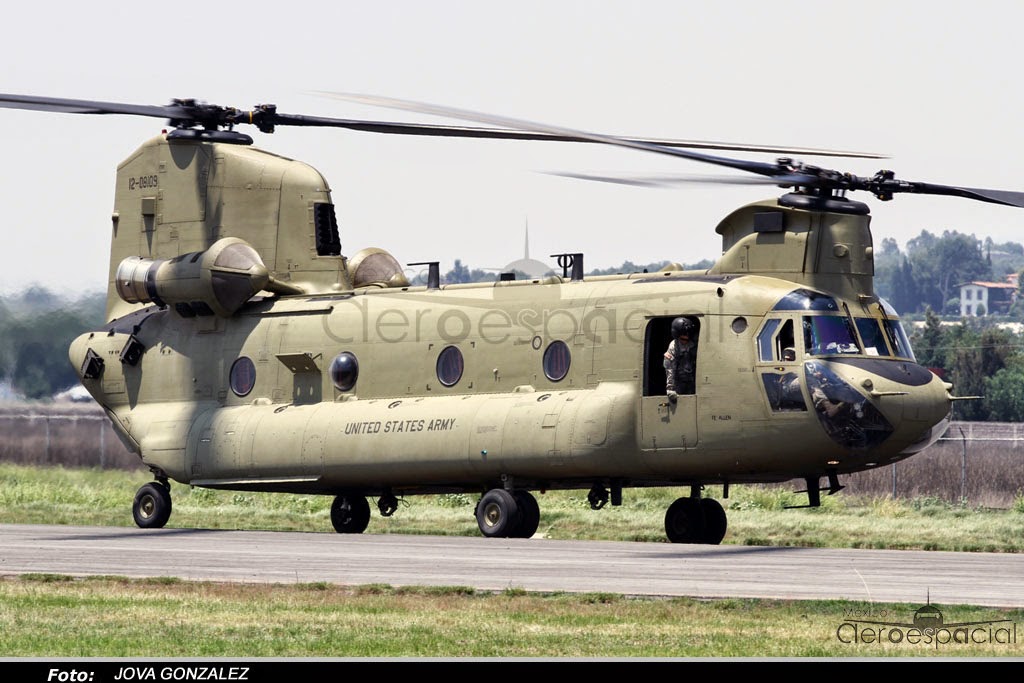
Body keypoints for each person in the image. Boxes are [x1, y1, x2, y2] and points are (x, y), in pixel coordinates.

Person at [664, 316, 697, 403]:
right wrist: (670, 388)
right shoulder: (673, 347)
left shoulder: (694, 343)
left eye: (688, 338)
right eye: (683, 339)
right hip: (680, 380)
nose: (686, 341)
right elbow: (670, 368)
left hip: (694, 379)